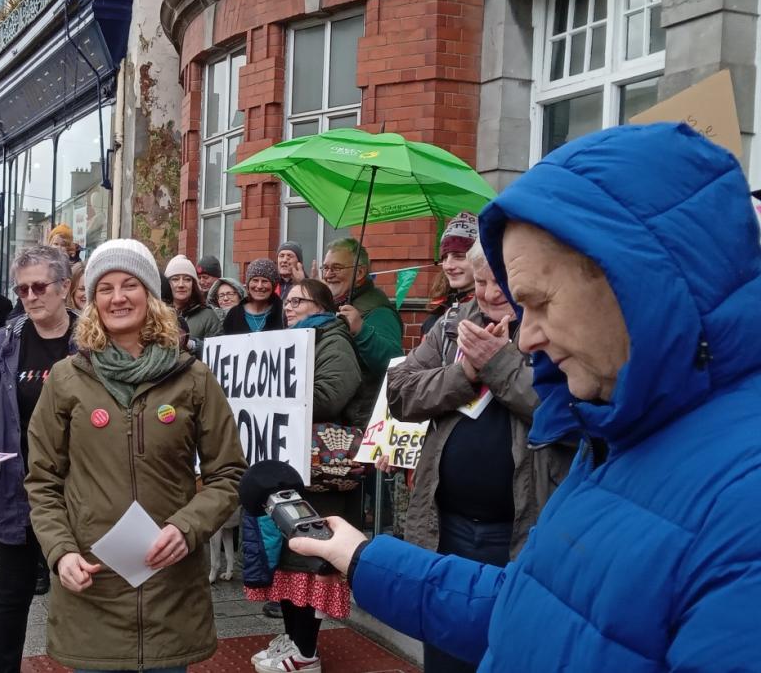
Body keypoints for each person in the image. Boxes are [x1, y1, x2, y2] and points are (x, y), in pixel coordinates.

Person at [290, 123, 761, 671]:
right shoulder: (618, 436)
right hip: (445, 527)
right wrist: (363, 557)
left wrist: (499, 367)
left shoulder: (739, 504)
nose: (529, 335)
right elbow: (534, 606)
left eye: (536, 301)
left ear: (637, 280)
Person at [24, 238, 247, 672]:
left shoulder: (193, 378)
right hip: (92, 583)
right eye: (104, 288)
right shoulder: (66, 380)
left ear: (151, 295)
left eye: (130, 285)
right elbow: (42, 480)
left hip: (170, 586)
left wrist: (187, 528)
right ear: (91, 300)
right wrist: (61, 552)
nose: (118, 297)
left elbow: (229, 474)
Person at [384, 242, 573, 673]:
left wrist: (500, 365)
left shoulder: (553, 327)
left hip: (521, 531)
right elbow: (399, 392)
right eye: (482, 280)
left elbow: (564, 415)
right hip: (443, 526)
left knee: (512, 647)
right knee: (446, 648)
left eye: (501, 279)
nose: (489, 293)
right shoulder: (453, 325)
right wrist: (465, 373)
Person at [0, 245, 78, 672]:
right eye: (22, 289)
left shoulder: (90, 342)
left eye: (40, 286)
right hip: (14, 488)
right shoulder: (4, 342)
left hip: (78, 493)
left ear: (65, 287)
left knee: (83, 595)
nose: (30, 296)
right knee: (9, 595)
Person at [244, 279, 366, 673]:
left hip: (321, 478)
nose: (289, 305)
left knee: (310, 565)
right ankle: (293, 640)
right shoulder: (293, 339)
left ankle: (305, 652)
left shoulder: (333, 341)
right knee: (288, 564)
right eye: (289, 299)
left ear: (322, 306)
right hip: (292, 470)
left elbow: (332, 394)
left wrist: (280, 395)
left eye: (299, 300)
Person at [324, 239, 404, 413]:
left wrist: (361, 331)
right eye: (326, 268)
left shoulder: (378, 311)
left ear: (359, 272)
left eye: (336, 268)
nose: (328, 274)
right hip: (340, 411)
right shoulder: (334, 305)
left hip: (362, 418)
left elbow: (395, 363)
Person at [420, 214, 478, 338]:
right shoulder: (440, 309)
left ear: (481, 258)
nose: (448, 266)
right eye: (445, 257)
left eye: (459, 256)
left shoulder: (494, 311)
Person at [166, 254, 222, 354]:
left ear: (194, 284)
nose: (181, 284)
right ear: (167, 283)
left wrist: (191, 344)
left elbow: (218, 354)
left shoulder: (209, 317)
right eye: (175, 279)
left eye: (187, 279)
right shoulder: (155, 314)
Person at [223, 259, 284, 335]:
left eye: (265, 281)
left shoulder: (283, 312)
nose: (259, 286)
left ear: (273, 286)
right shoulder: (233, 315)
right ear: (248, 285)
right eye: (255, 280)